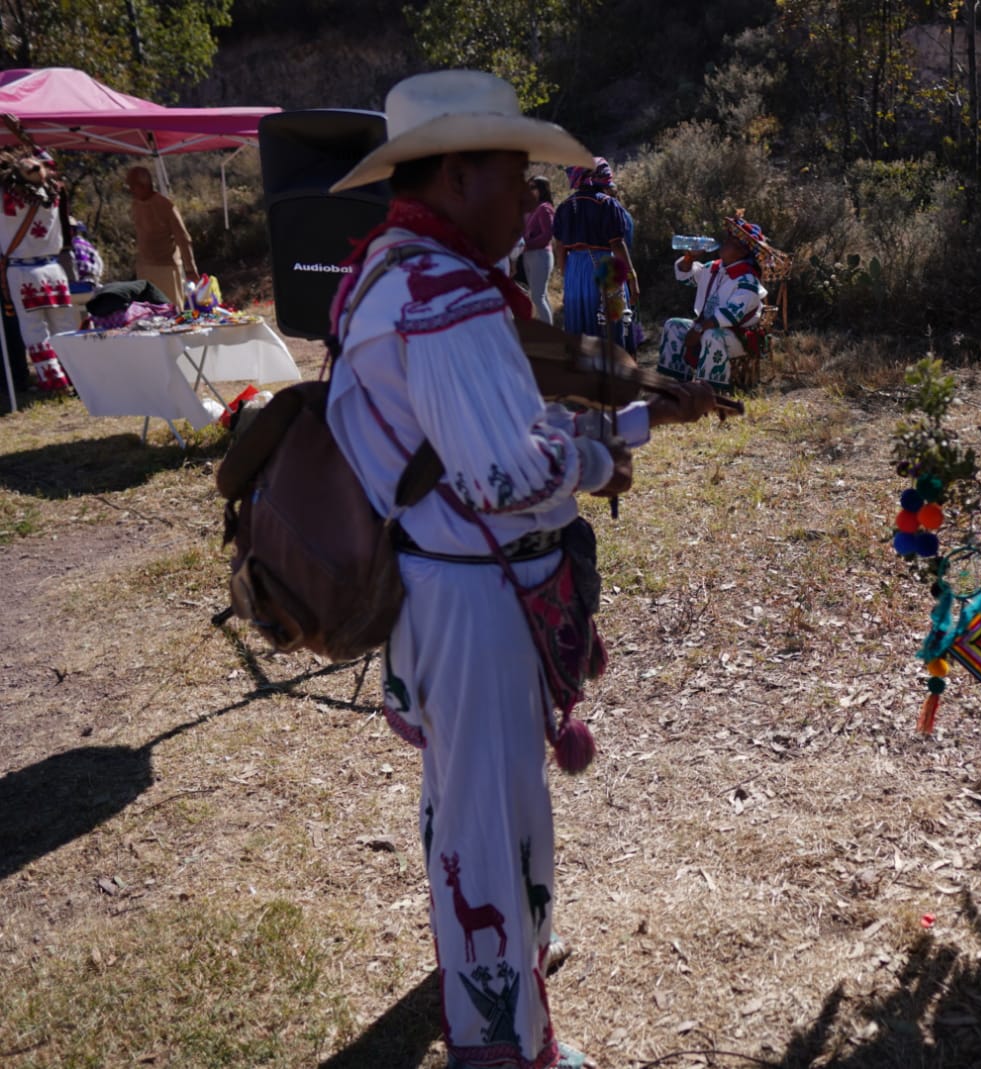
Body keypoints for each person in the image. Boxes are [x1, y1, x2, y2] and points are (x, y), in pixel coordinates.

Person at [323, 70, 718, 1069]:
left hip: (440, 575)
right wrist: (604, 448)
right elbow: (508, 473)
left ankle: (498, 965)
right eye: (515, 179)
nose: (530, 203)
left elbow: (479, 442)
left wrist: (619, 419)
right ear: (458, 176)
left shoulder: (388, 270)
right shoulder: (447, 301)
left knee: (465, 801)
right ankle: (501, 1040)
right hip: (475, 591)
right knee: (489, 820)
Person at [657, 211, 774, 389]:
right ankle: (679, 383)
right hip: (705, 326)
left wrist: (698, 329)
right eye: (727, 239)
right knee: (674, 325)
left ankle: (709, 390)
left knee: (712, 335)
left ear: (743, 251)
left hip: (737, 335)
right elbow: (686, 276)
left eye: (731, 242)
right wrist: (689, 257)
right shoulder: (714, 267)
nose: (725, 243)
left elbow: (730, 316)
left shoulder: (747, 280)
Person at [0, 144, 73, 392]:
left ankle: (53, 381)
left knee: (34, 330)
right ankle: (75, 374)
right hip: (54, 269)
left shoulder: (7, 200)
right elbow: (49, 165)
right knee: (64, 327)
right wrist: (30, 142)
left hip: (23, 272)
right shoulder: (53, 195)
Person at [551, 158, 639, 349]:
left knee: (580, 326)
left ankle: (585, 373)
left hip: (574, 269)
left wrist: (567, 276)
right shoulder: (607, 204)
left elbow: (560, 247)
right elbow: (617, 244)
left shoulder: (564, 206)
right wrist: (632, 278)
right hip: (605, 268)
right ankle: (614, 371)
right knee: (610, 326)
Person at [124, 165, 198, 306]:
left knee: (171, 310)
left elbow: (183, 238)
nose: (131, 190)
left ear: (144, 185)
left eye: (133, 186)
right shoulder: (136, 204)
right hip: (145, 267)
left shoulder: (165, 206)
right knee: (149, 312)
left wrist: (190, 269)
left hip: (166, 268)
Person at [522, 176, 556, 324]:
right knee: (540, 296)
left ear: (542, 189)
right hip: (530, 255)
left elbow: (548, 234)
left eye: (533, 187)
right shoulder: (532, 209)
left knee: (537, 297)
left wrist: (527, 245)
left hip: (540, 255)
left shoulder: (544, 208)